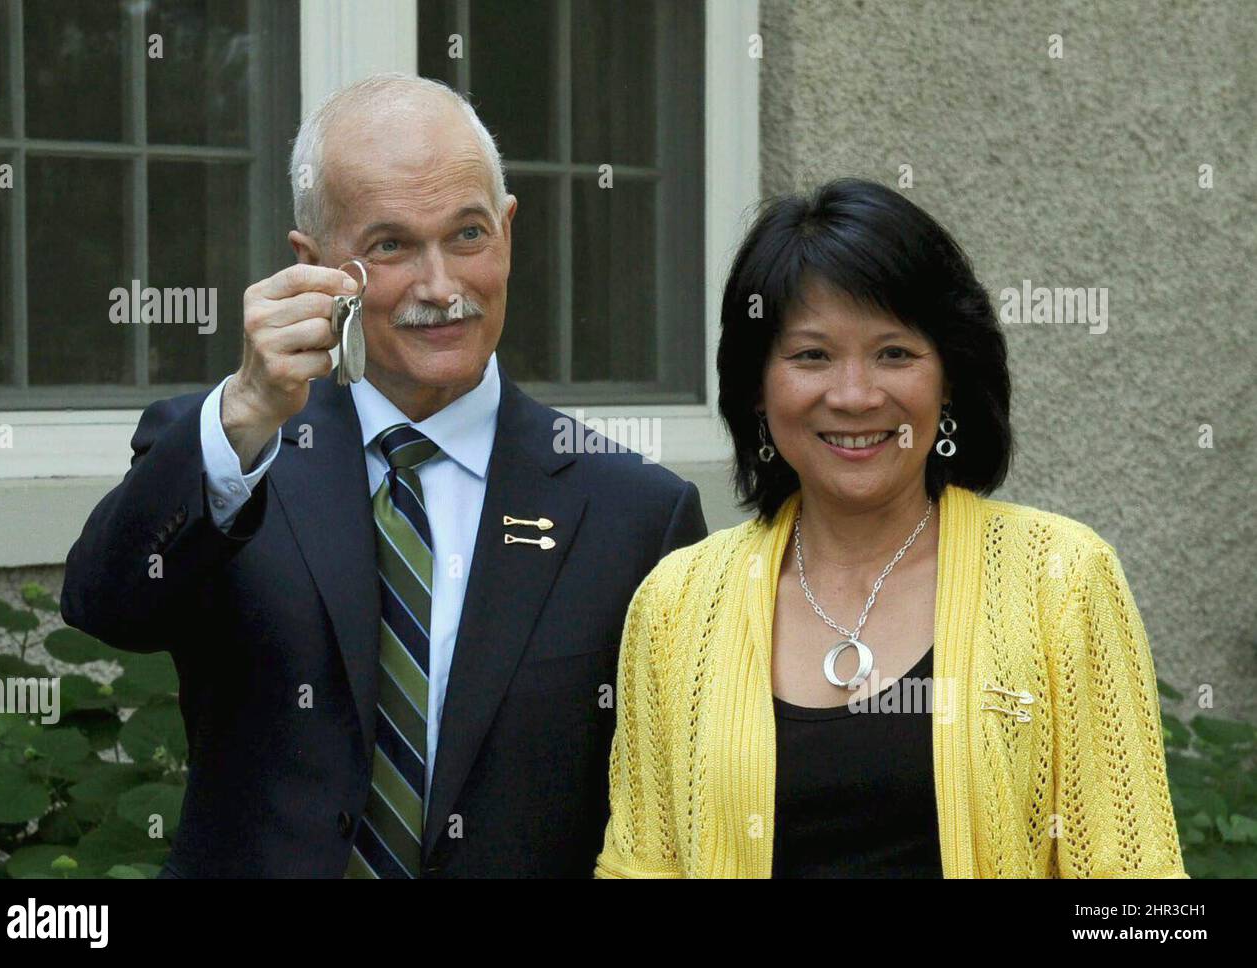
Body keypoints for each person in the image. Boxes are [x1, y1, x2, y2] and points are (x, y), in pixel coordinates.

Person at [61, 73, 706, 878]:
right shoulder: (241, 453)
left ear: (507, 231)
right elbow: (106, 605)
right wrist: (246, 414)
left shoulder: (635, 511)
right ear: (315, 265)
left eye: (467, 235)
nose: (441, 288)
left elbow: (678, 812)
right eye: (391, 246)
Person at [595, 178, 1186, 878]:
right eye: (811, 355)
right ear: (758, 385)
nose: (854, 395)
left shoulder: (1060, 578)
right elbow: (640, 870)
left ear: (950, 377)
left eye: (894, 353)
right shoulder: (676, 605)